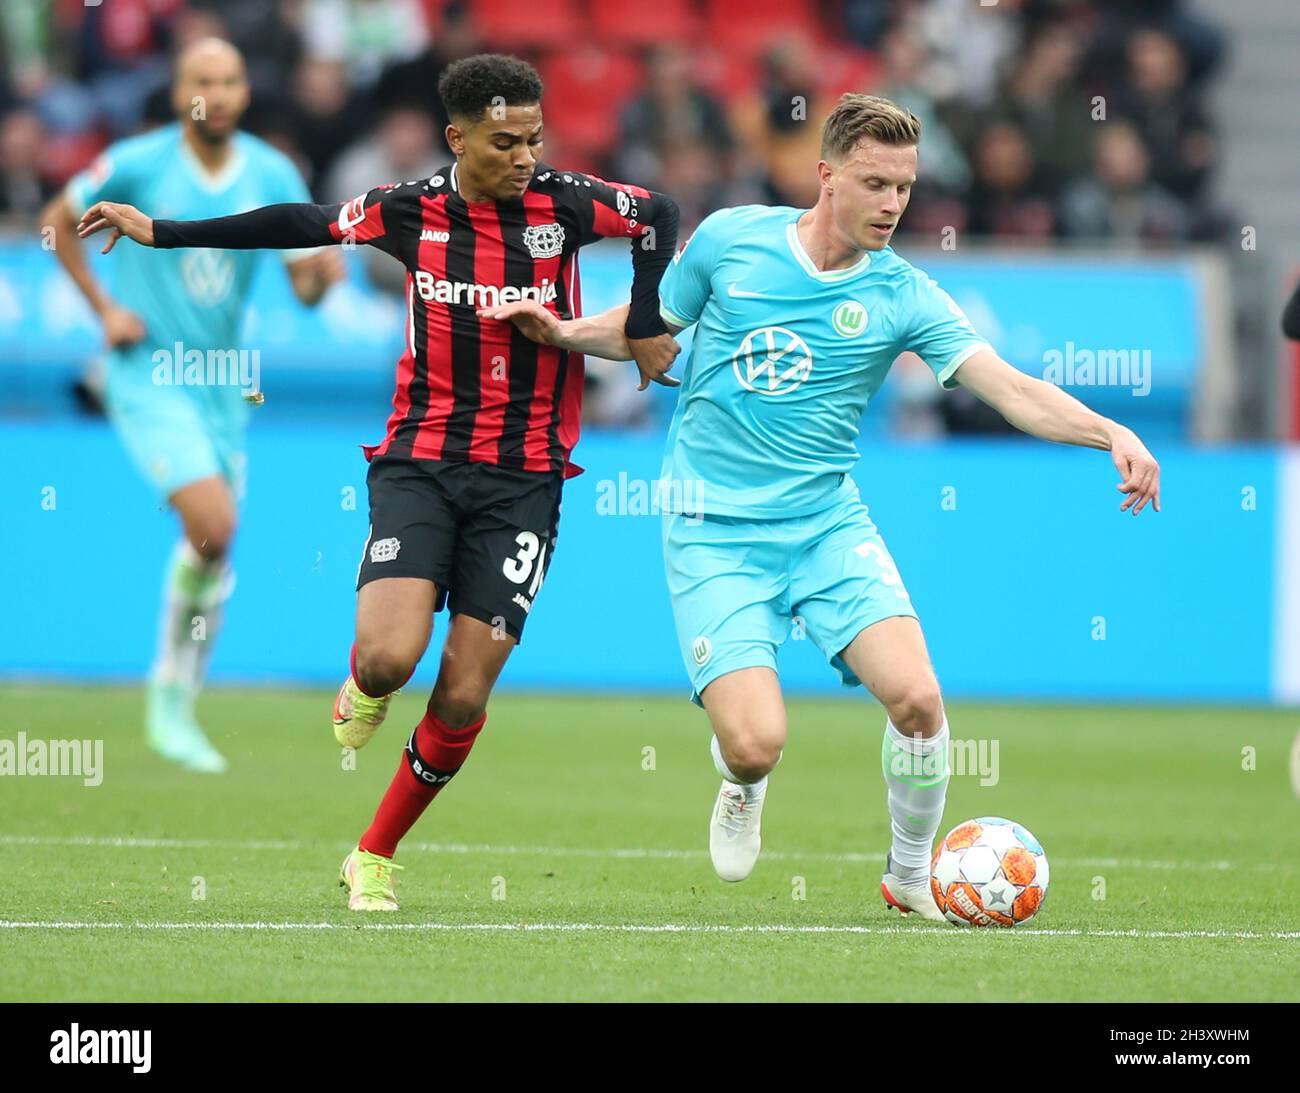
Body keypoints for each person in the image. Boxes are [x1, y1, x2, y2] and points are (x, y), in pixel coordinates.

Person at [486, 94, 1161, 922]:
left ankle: (910, 873)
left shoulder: (903, 293)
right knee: (756, 741)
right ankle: (742, 783)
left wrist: (1110, 432)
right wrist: (559, 334)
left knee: (918, 698)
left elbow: (1012, 390)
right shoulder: (732, 239)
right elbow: (650, 328)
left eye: (905, 188)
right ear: (827, 175)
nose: (892, 204)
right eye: (875, 183)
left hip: (825, 524)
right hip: (713, 529)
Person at [77, 53, 680, 911]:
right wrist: (164, 231)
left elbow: (658, 213)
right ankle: (363, 683)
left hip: (527, 476)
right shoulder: (411, 209)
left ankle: (375, 850)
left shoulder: (566, 203)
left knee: (465, 691)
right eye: (505, 142)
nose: (524, 158)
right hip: (421, 460)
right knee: (391, 657)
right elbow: (303, 221)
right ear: (457, 138)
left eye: (534, 140)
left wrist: (649, 316)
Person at [44, 38, 343, 772]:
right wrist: (104, 310)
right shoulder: (140, 163)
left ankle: (180, 694)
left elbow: (304, 287)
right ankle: (169, 698)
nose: (216, 92)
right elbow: (57, 221)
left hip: (223, 383)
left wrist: (322, 279)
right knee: (214, 521)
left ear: (244, 92)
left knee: (216, 544)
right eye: (201, 80)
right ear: (181, 93)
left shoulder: (272, 171)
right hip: (146, 371)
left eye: (230, 80)